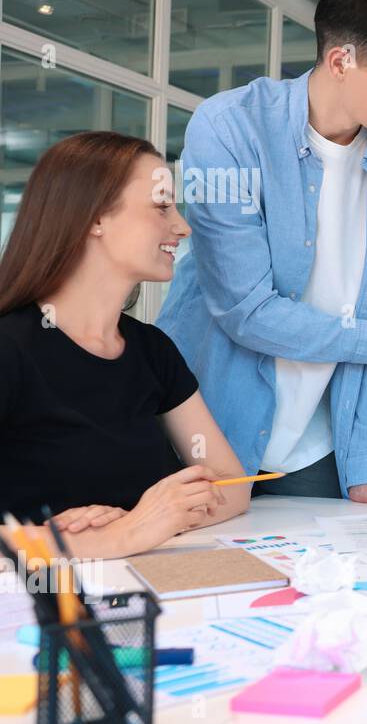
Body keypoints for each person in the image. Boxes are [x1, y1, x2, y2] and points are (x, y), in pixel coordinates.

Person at [158, 0, 367, 505]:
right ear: (340, 61)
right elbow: (246, 311)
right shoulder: (229, 128)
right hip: (204, 432)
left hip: (315, 449)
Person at [0, 132, 250, 559]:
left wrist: (155, 519)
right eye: (161, 205)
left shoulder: (152, 349)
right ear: (95, 216)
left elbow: (232, 485)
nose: (182, 226)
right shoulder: (9, 349)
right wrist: (123, 533)